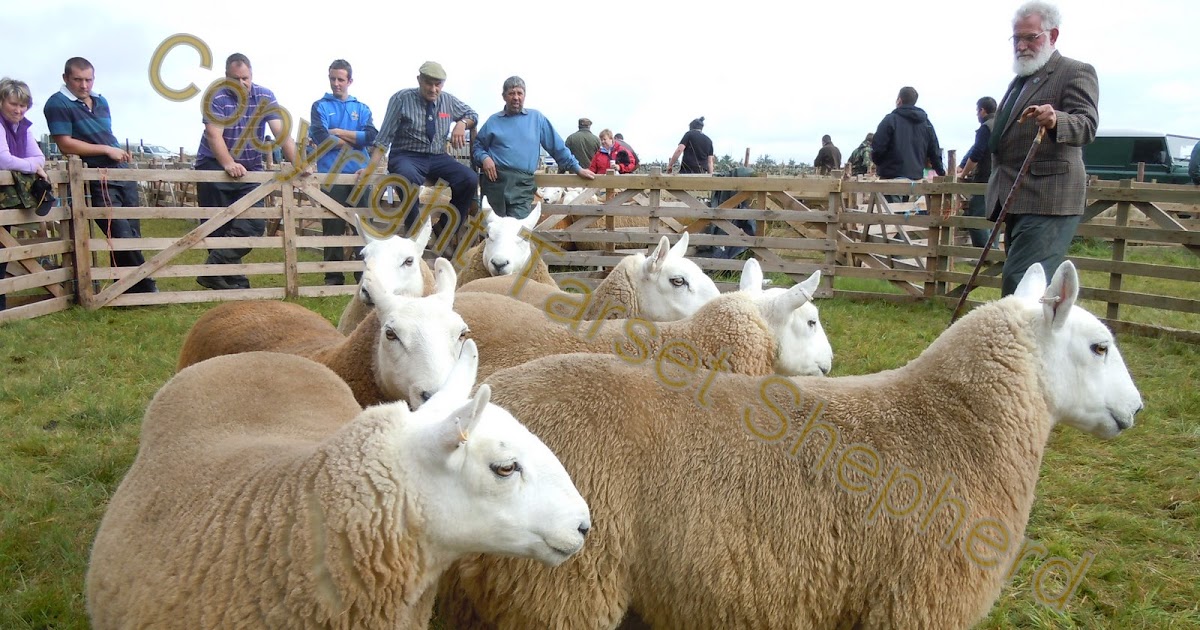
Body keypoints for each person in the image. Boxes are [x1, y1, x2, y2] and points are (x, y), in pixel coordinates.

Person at [988, 1, 1099, 296]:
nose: (1022, 45)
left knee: (1019, 285)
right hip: (1017, 197)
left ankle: (1018, 343)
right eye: (1017, 38)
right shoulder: (1020, 81)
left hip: (1049, 198)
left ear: (1053, 35)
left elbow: (1087, 125)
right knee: (1026, 286)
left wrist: (1057, 119)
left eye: (1031, 37)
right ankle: (1040, 340)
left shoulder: (1075, 71)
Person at [44, 57, 157, 293]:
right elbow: (66, 144)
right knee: (117, 229)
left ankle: (126, 286)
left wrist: (115, 151)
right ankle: (144, 285)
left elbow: (105, 134)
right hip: (96, 174)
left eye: (88, 80)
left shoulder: (101, 100)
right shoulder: (58, 104)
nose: (84, 85)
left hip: (120, 172)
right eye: (78, 79)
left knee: (132, 229)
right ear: (65, 78)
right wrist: (106, 150)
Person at [193, 52, 300, 290]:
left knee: (253, 224)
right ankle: (231, 279)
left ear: (251, 75)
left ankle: (211, 271)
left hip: (251, 168)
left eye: (246, 78)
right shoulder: (217, 97)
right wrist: (228, 163)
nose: (242, 83)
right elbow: (213, 134)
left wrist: (298, 164)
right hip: (214, 165)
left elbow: (281, 133)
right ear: (226, 77)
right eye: (236, 78)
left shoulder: (264, 96)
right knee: (218, 226)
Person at [369, 61, 477, 237]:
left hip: (437, 157)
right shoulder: (401, 99)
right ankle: (415, 234)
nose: (433, 89)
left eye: (438, 84)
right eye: (429, 83)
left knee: (469, 179)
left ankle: (444, 230)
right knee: (406, 177)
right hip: (406, 155)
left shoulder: (448, 101)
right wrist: (369, 169)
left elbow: (473, 115)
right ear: (419, 80)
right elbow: (384, 138)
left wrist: (461, 123)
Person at [473, 76, 595, 220]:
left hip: (522, 185)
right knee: (493, 231)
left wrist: (577, 168)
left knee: (518, 232)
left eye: (520, 93)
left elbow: (557, 146)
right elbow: (477, 148)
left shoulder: (537, 119)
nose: (516, 97)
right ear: (504, 96)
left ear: (525, 95)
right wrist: (484, 158)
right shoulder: (493, 121)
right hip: (495, 184)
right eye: (511, 93)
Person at [309, 59, 377, 285]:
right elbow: (321, 138)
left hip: (359, 174)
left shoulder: (362, 108)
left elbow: (371, 136)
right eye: (332, 79)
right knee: (332, 225)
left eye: (340, 79)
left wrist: (337, 131)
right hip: (331, 174)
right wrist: (353, 140)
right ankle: (333, 276)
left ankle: (363, 275)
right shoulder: (319, 106)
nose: (336, 84)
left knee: (362, 225)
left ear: (350, 81)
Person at [1, 78, 51, 311]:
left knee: (3, 249)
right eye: (14, 104)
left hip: (5, 199)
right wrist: (32, 166)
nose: (19, 110)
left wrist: (30, 163)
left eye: (23, 105)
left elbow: (39, 157)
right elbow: (3, 159)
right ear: (2, 101)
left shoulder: (23, 127)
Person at [871, 86, 946, 186]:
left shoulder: (890, 120)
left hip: (891, 178)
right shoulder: (926, 123)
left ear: (899, 100)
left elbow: (878, 147)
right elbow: (934, 151)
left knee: (888, 202)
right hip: (915, 180)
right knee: (913, 202)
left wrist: (879, 163)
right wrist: (941, 172)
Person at [958, 96, 998, 247]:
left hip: (984, 177)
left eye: (977, 111)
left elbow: (976, 153)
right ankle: (992, 252)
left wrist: (963, 173)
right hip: (999, 177)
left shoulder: (985, 127)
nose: (976, 114)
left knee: (974, 216)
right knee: (992, 217)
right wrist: (962, 163)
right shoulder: (1001, 124)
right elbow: (974, 148)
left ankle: (984, 255)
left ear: (982, 110)